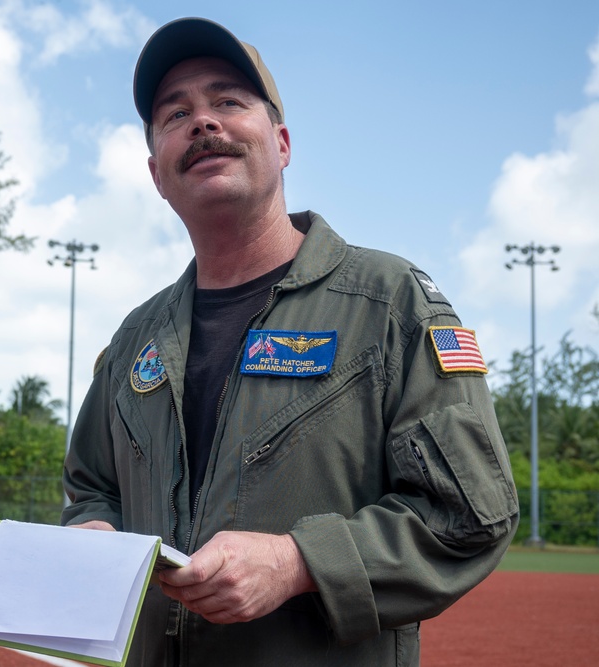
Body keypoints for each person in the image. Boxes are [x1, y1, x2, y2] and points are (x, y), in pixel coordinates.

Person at [61, 17, 518, 666]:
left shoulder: (390, 303)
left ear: (281, 142)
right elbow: (90, 486)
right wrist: (94, 529)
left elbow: (471, 512)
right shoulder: (136, 338)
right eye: (176, 113)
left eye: (228, 101)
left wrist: (299, 561)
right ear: (156, 173)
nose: (203, 122)